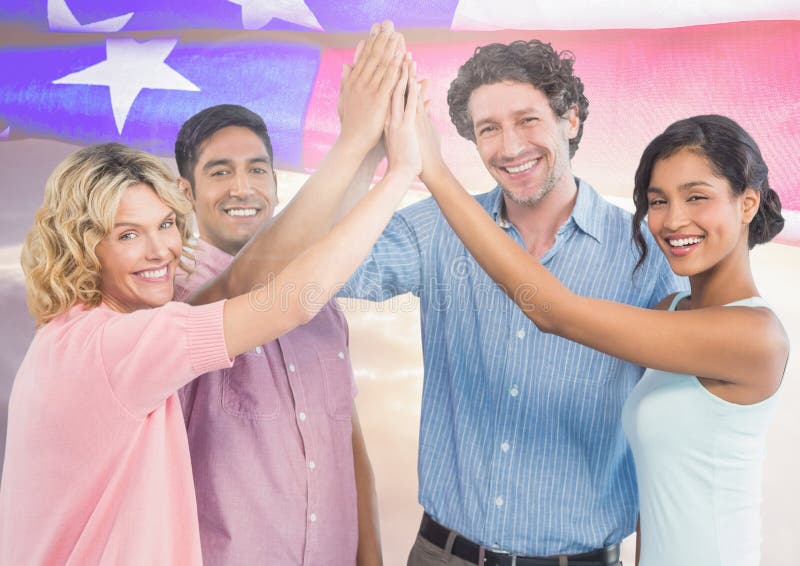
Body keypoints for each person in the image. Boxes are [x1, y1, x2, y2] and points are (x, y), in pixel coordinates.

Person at [0, 54, 420, 566]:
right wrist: (399, 172)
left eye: (165, 226)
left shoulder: (95, 330)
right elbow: (284, 298)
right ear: (83, 245)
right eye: (128, 234)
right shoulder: (114, 344)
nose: (160, 251)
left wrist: (369, 144)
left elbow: (257, 280)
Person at [337, 40, 684, 565]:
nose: (509, 146)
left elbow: (668, 441)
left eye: (527, 120)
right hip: (443, 554)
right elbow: (318, 277)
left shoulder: (646, 256)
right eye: (488, 129)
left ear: (570, 119)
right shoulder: (432, 228)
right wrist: (360, 145)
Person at [418, 110, 788, 566]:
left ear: (747, 204)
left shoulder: (754, 335)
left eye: (696, 197)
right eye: (658, 201)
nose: (673, 220)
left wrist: (434, 171)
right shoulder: (670, 313)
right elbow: (659, 496)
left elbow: (555, 312)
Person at [171, 22, 405, 566]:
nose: (243, 188)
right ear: (186, 191)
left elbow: (347, 440)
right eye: (220, 172)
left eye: (257, 170)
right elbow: (251, 289)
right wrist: (358, 148)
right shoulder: (176, 302)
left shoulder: (321, 304)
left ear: (277, 186)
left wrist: (370, 557)